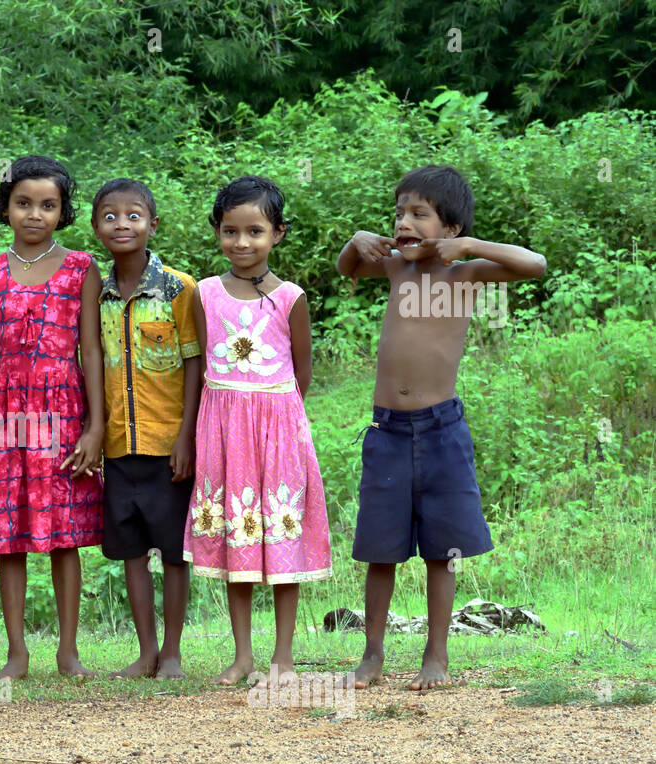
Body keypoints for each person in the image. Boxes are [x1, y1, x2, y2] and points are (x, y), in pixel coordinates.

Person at [336, 164, 545, 690]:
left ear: (449, 228)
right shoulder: (394, 269)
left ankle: (436, 655)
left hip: (440, 431)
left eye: (419, 214)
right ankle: (373, 655)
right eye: (399, 212)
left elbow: (535, 265)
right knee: (380, 549)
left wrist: (470, 246)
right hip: (386, 432)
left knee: (442, 551)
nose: (404, 221)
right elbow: (348, 268)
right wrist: (357, 241)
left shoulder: (465, 273)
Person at [185, 176, 332, 687]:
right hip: (223, 432)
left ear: (278, 234)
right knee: (236, 542)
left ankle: (284, 657)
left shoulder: (292, 297)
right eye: (230, 231)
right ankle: (243, 655)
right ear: (218, 232)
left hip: (280, 433)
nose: (242, 243)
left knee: (281, 539)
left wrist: (276, 424)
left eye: (255, 231)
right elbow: (203, 365)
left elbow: (302, 375)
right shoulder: (203, 294)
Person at [0, 154, 104, 679]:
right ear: (6, 207)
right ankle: (16, 652)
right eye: (23, 203)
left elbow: (90, 350)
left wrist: (95, 426)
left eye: (48, 205)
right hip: (3, 415)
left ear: (62, 211)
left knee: (64, 533)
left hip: (63, 410)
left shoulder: (81, 267)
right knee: (10, 533)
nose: (35, 214)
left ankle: (68, 652)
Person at [91, 178, 201, 680]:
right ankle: (146, 652)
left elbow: (195, 366)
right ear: (95, 227)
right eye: (110, 216)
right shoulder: (95, 293)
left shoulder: (180, 288)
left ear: (153, 224)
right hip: (117, 445)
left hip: (167, 444)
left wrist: (186, 437)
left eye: (133, 215)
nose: (122, 224)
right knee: (131, 551)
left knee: (175, 552)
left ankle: (173, 652)